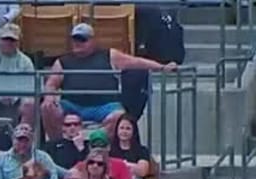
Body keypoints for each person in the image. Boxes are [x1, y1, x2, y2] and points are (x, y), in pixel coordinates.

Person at [41, 22, 176, 140]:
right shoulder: (62, 61)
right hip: (72, 104)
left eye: (82, 40)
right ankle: (58, 146)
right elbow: (51, 83)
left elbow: (136, 62)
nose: (77, 43)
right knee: (47, 108)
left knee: (118, 116)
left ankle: (94, 141)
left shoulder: (110, 55)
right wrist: (49, 97)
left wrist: (162, 67)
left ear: (93, 41)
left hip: (104, 105)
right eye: (75, 39)